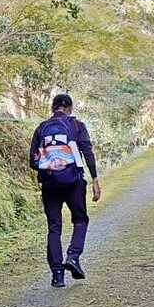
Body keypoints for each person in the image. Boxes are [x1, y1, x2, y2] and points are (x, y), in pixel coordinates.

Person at [28, 93, 99, 288]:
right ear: (69, 108)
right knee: (80, 219)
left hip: (50, 183)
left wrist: (50, 167)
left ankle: (57, 276)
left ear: (53, 108)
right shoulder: (76, 126)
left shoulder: (41, 128)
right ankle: (73, 256)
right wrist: (94, 178)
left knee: (54, 227)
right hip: (73, 181)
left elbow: (32, 161)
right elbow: (87, 151)